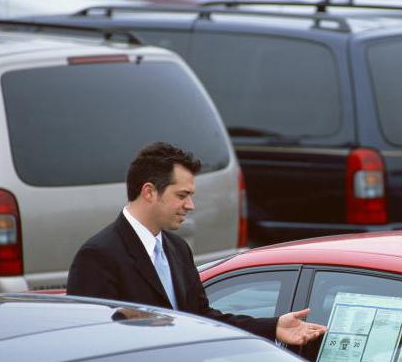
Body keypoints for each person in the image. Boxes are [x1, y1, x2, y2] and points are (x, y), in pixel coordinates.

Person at [67, 142, 326, 345]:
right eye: (182, 195)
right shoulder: (98, 256)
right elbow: (90, 342)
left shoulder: (177, 248)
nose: (190, 206)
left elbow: (200, 318)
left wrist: (273, 327)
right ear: (149, 192)